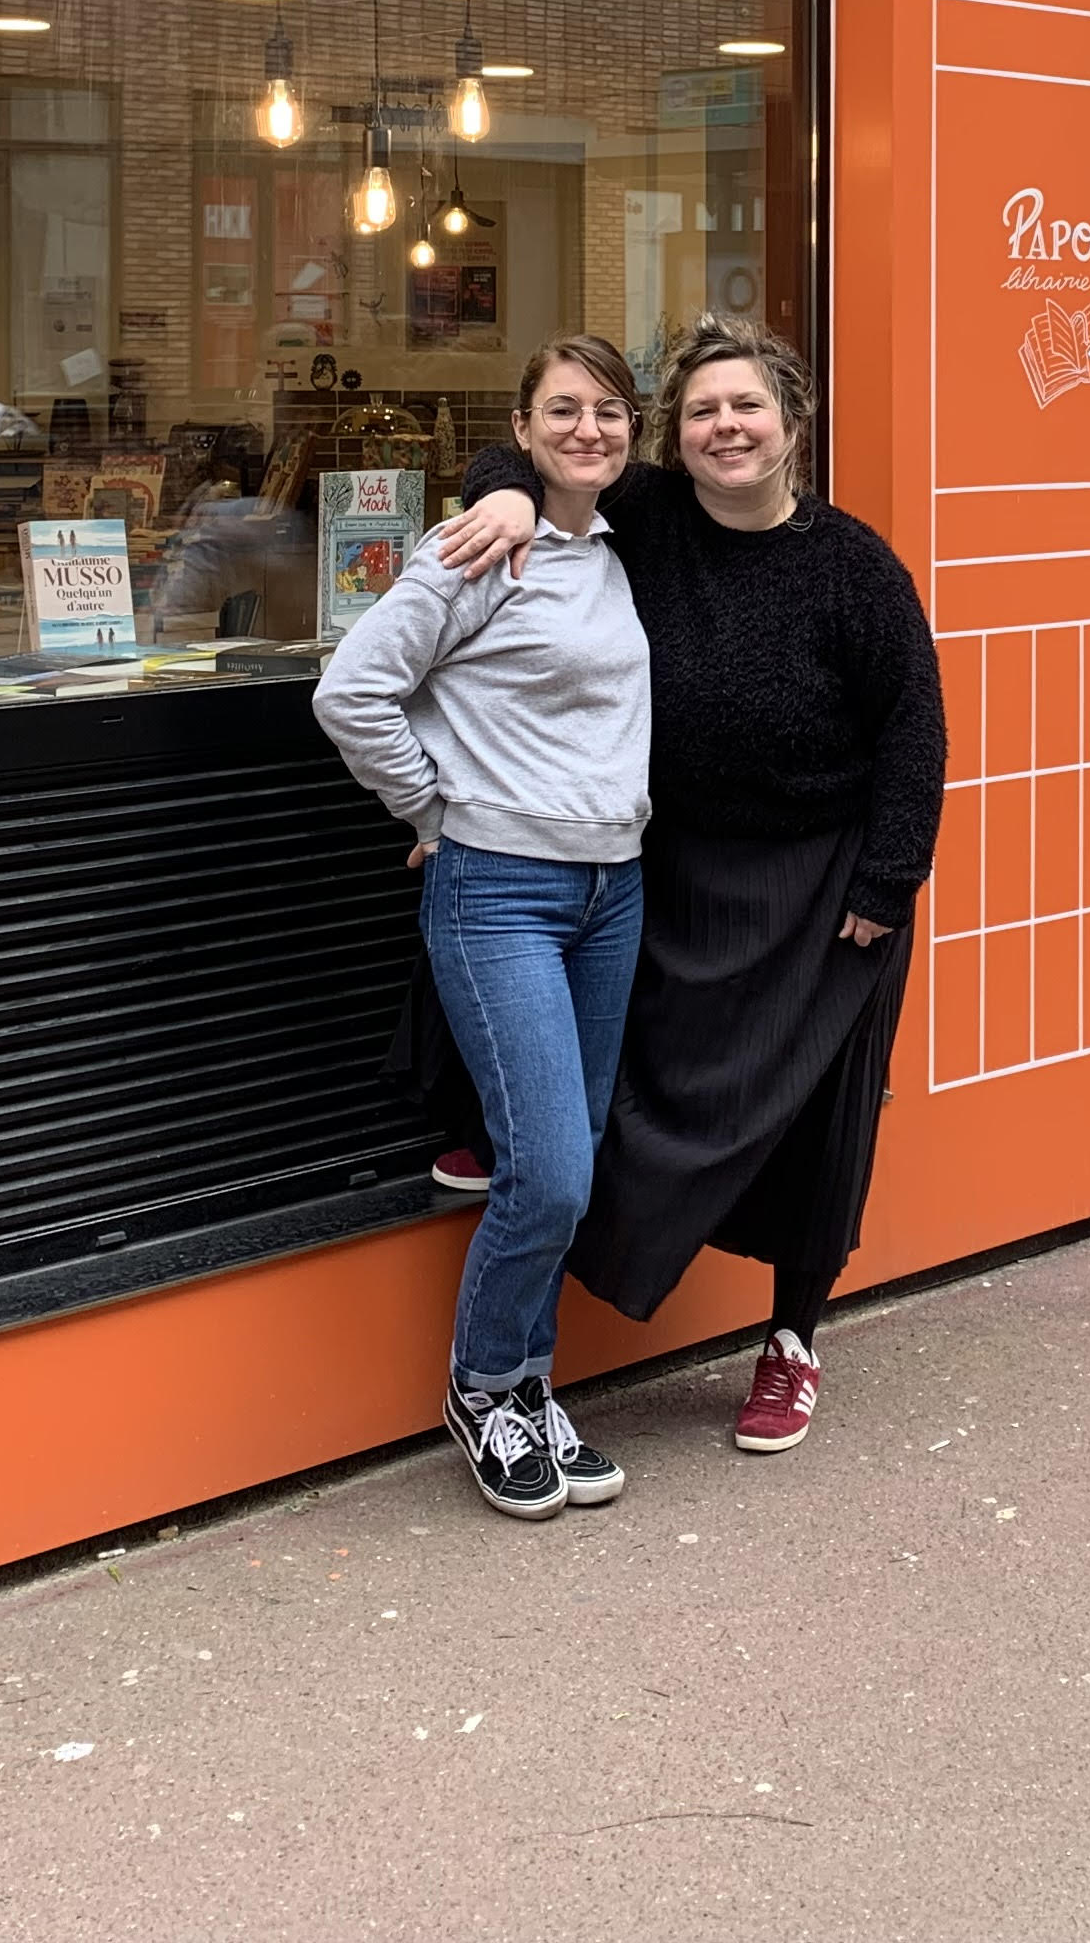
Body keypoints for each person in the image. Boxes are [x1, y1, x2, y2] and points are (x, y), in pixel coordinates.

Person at [430, 314, 946, 1456]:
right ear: (680, 436)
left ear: (791, 424)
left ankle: (793, 1347)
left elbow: (915, 730)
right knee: (616, 1074)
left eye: (747, 406)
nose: (725, 427)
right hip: (668, 863)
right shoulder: (648, 517)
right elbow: (553, 448)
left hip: (826, 887)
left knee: (822, 1119)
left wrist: (891, 877)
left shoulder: (856, 567)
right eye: (704, 411)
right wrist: (501, 491)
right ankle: (493, 1133)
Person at [311, 335, 652, 1522]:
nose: (589, 431)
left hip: (615, 891)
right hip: (499, 888)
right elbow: (349, 692)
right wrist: (433, 810)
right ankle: (482, 1385)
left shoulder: (619, 549)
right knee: (549, 1170)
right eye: (563, 411)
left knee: (573, 1160)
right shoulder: (474, 549)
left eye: (610, 412)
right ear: (522, 424)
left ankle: (530, 1385)